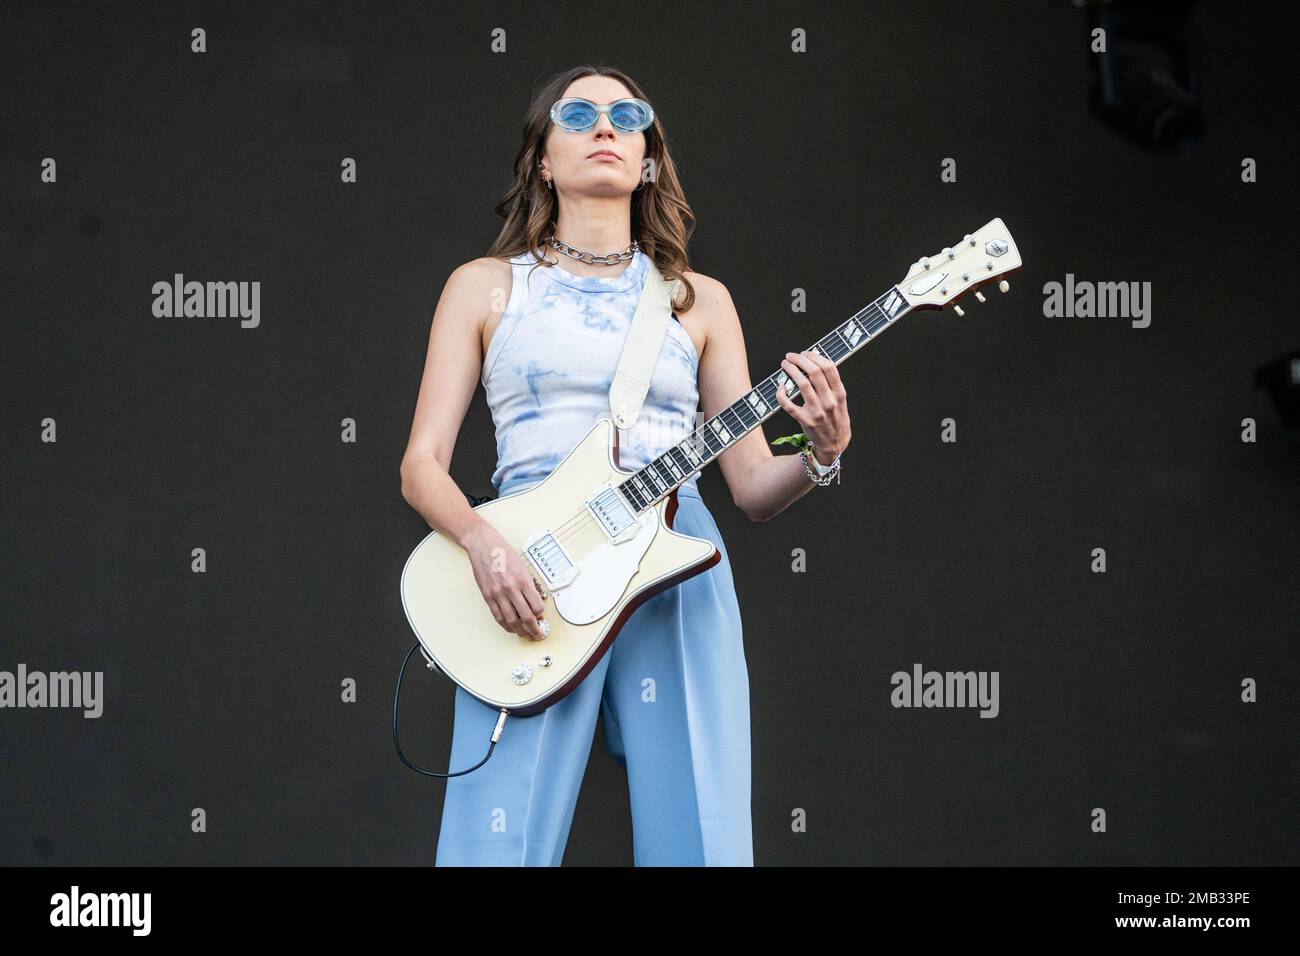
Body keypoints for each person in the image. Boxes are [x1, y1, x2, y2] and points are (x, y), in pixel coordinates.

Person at [398, 64, 852, 866]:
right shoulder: (486, 287)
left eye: (626, 114)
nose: (605, 125)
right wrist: (484, 546)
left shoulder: (698, 301)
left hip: (673, 561)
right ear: (543, 157)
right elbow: (421, 466)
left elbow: (750, 484)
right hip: (531, 562)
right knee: (495, 837)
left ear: (647, 155)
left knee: (701, 831)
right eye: (578, 113)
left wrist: (820, 451)